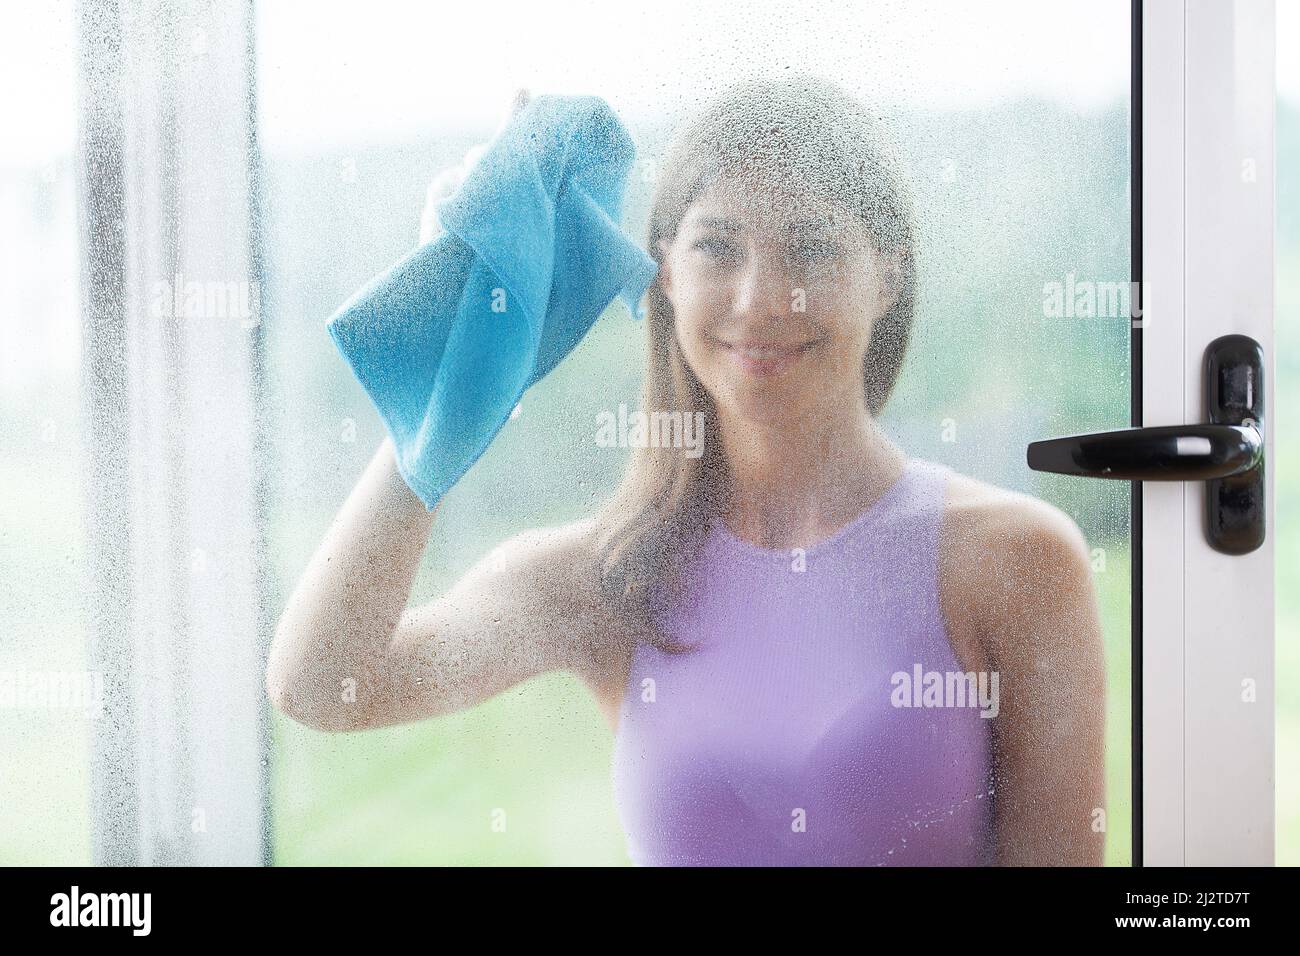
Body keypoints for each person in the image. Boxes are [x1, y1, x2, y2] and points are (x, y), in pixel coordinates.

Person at [266, 75, 1106, 866]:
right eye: (717, 247)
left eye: (812, 249)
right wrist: (437, 413)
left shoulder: (1015, 560)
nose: (760, 299)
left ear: (888, 272)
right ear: (664, 271)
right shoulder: (608, 578)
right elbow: (325, 686)